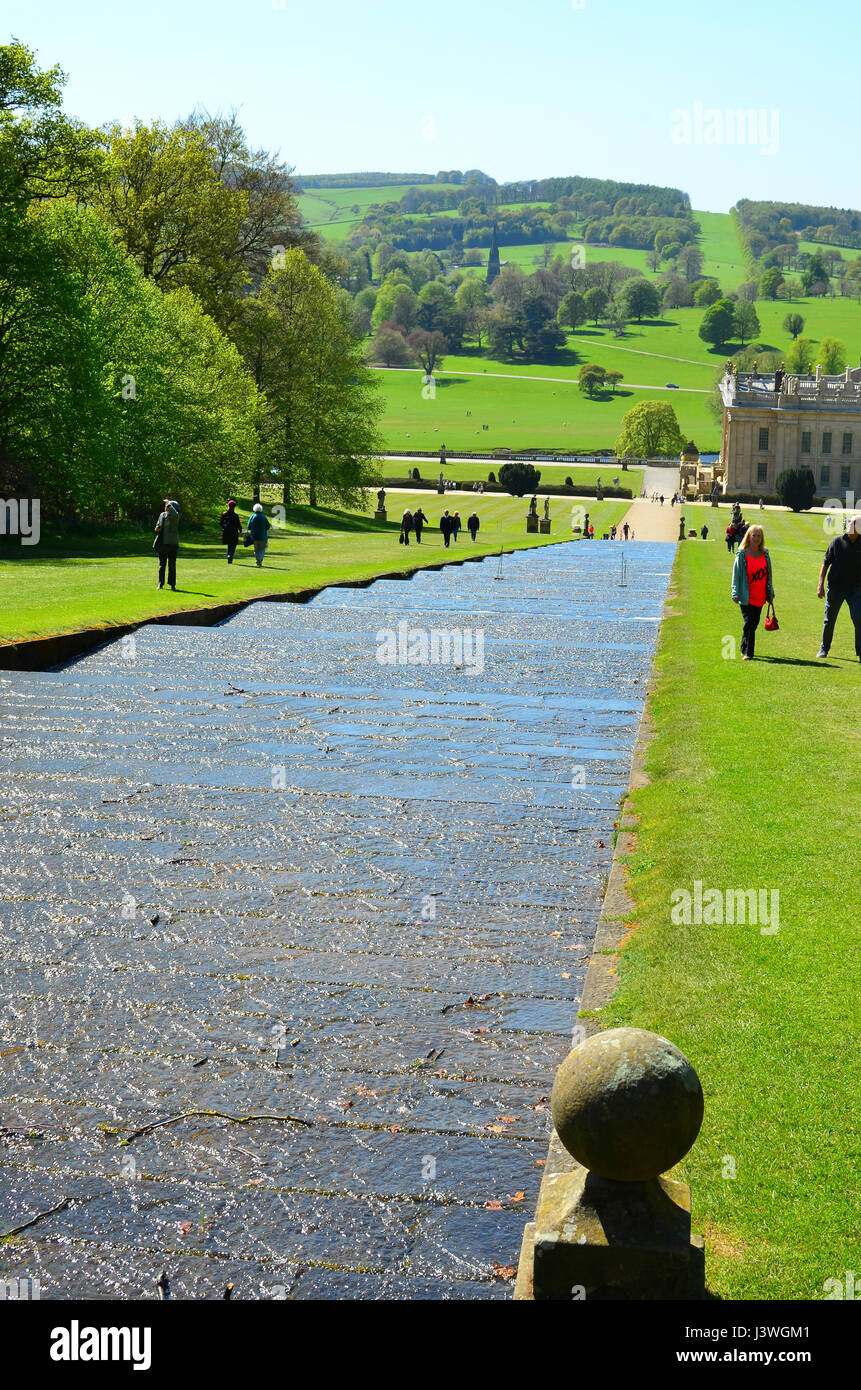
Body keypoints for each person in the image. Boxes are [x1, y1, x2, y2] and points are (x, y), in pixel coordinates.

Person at [816, 515, 861, 660]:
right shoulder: (837, 542)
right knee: (829, 619)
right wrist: (820, 585)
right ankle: (824, 648)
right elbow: (825, 564)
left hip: (856, 589)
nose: (849, 525)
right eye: (849, 523)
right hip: (835, 587)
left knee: (859, 618)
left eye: (853, 524)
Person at [731, 524, 774, 661]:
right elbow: (736, 575)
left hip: (760, 596)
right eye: (754, 535)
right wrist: (735, 592)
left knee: (753, 624)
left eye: (758, 536)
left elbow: (769, 575)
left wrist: (770, 592)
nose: (756, 538)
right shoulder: (742, 554)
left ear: (762, 538)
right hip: (745, 595)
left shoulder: (765, 554)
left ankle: (744, 645)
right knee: (749, 622)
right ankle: (749, 653)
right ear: (748, 536)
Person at [154, 498, 180, 590]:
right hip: (162, 543)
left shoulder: (175, 516)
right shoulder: (162, 515)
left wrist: (169, 503)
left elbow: (174, 513)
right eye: (166, 506)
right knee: (162, 565)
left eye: (168, 506)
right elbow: (158, 524)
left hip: (172, 544)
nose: (166, 507)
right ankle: (160, 583)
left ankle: (172, 584)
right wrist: (157, 528)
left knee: (172, 565)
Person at [247, 502, 271, 567]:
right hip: (263, 536)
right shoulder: (264, 517)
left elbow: (249, 526)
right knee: (262, 549)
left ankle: (258, 561)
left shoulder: (252, 516)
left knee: (256, 549)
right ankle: (260, 560)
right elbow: (268, 526)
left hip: (254, 536)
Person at [219, 499, 243, 564]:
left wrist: (224, 528)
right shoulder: (235, 515)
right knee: (233, 545)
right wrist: (240, 530)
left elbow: (221, 523)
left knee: (229, 545)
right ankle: (230, 555)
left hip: (226, 532)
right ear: (234, 507)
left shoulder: (224, 514)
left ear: (228, 506)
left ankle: (229, 555)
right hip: (234, 532)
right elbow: (238, 524)